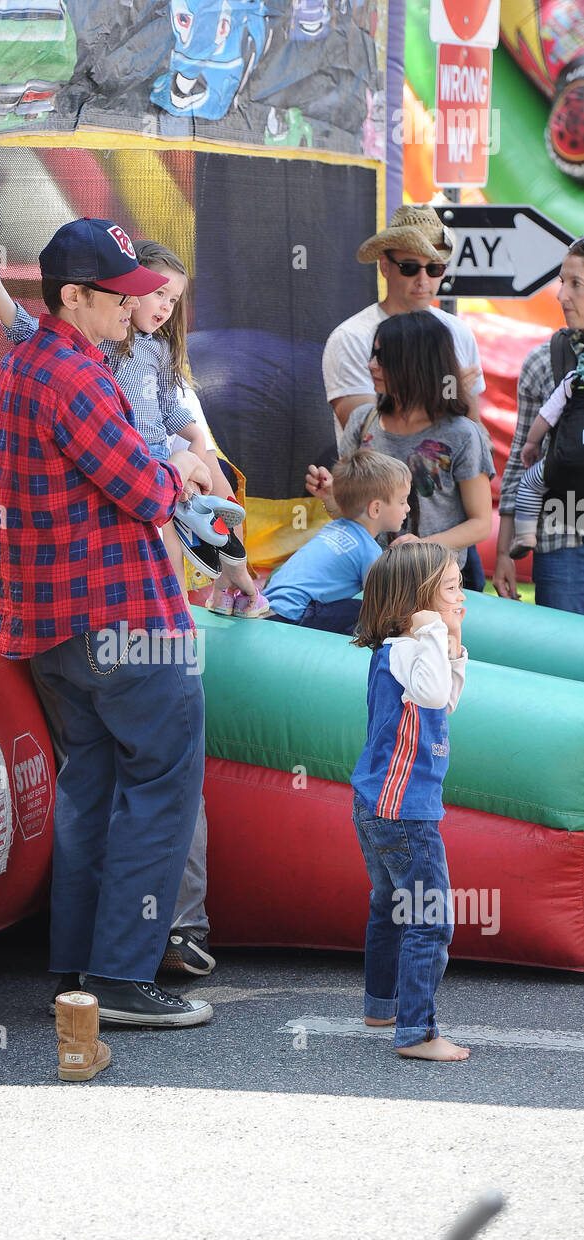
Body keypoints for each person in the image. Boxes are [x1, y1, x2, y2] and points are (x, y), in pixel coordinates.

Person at [0, 216, 216, 1026]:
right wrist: (180, 464)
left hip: (53, 628)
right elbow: (149, 494)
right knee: (158, 792)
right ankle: (120, 981)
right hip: (120, 621)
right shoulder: (75, 376)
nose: (133, 306)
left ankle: (81, 975)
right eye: (117, 296)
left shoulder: (25, 361)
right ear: (73, 297)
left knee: (89, 792)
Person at [0, 240, 268, 618]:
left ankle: (217, 592)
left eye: (173, 301)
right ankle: (180, 611)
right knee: (165, 548)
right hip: (134, 466)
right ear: (128, 292)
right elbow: (25, 329)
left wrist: (196, 441)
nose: (164, 307)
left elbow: (168, 407)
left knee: (205, 527)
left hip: (160, 463)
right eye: (158, 293)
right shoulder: (103, 342)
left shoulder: (158, 350)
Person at [322, 202, 487, 589]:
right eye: (410, 267)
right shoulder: (351, 338)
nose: (424, 280)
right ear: (385, 265)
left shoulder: (457, 332)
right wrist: (333, 495)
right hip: (376, 558)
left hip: (443, 553)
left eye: (436, 269)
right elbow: (369, 438)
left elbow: (473, 436)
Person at [350, 543, 470, 1063]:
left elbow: (447, 700)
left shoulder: (409, 652)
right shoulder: (406, 650)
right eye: (451, 589)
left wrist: (454, 647)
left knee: (389, 906)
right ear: (414, 603)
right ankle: (417, 1033)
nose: (461, 599)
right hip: (404, 814)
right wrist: (434, 634)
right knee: (429, 918)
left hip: (381, 806)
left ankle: (384, 1005)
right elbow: (429, 694)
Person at [309, 312, 494, 572]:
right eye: (372, 355)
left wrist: (420, 548)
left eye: (383, 358)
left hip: (434, 582)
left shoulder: (462, 433)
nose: (372, 365)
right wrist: (331, 497)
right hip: (370, 579)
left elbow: (481, 523)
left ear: (418, 364)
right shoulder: (363, 421)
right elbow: (353, 516)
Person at [495, 238, 584, 609]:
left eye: (576, 284)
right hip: (561, 536)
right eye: (562, 281)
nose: (561, 294)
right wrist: (503, 551)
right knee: (561, 662)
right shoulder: (541, 362)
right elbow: (520, 460)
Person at [264, 448, 411, 634]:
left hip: (270, 606)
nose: (407, 508)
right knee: (373, 614)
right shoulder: (369, 551)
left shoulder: (333, 528)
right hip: (295, 614)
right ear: (375, 508)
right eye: (402, 501)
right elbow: (383, 603)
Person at [511, 352, 584, 557]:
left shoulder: (573, 380)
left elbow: (546, 415)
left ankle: (525, 535)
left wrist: (532, 443)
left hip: (563, 464)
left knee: (529, 484)